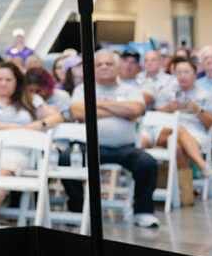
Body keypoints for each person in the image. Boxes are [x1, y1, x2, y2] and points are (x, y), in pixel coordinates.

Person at [60, 49, 160, 229]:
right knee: (65, 159)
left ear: (117, 67)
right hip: (88, 146)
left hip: (124, 148)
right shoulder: (82, 89)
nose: (104, 67)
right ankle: (77, 209)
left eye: (108, 64)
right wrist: (120, 110)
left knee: (148, 162)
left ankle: (142, 212)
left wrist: (97, 104)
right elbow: (77, 112)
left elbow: (135, 110)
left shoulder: (130, 89)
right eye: (99, 64)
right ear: (93, 68)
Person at [0, 63, 62, 219]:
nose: (3, 83)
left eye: (8, 79)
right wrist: (15, 128)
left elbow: (56, 116)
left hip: (16, 151)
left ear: (17, 81)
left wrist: (38, 125)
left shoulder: (30, 99)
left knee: (4, 171)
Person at [154, 55, 212, 176]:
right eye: (179, 73)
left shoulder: (205, 95)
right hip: (165, 131)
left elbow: (211, 123)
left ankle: (180, 192)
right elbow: (154, 118)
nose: (183, 76)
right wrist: (168, 108)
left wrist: (198, 111)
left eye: (187, 72)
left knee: (178, 148)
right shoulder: (166, 93)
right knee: (178, 127)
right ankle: (201, 164)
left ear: (195, 74)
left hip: (194, 133)